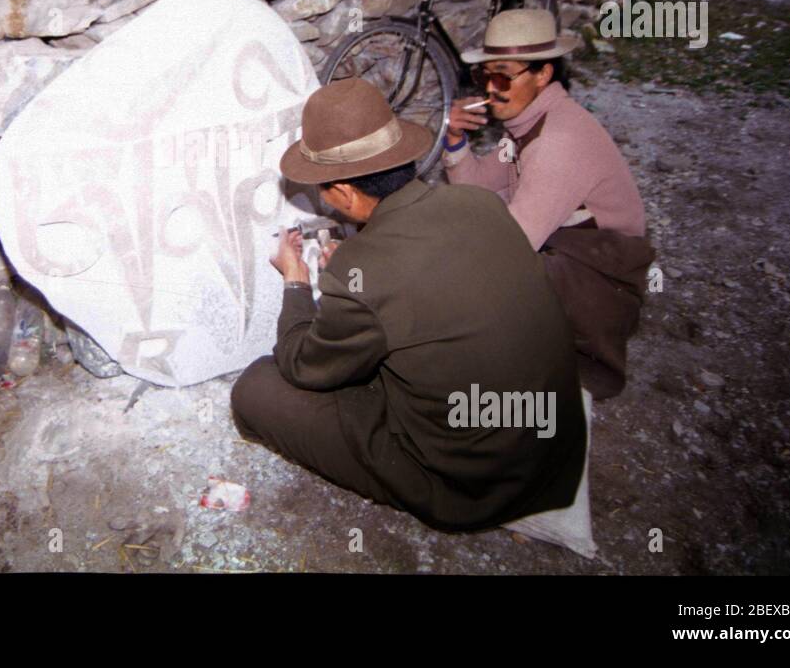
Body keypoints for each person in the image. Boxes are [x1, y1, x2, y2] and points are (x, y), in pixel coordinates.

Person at [230, 78, 586, 531]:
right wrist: (362, 275)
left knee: (256, 387)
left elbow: (303, 367)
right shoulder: (480, 203)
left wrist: (297, 281)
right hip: (552, 446)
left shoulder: (365, 271)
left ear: (343, 191)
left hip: (476, 481)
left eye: (322, 189)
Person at [444, 8, 655, 398]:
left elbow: (512, 248)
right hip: (570, 250)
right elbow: (473, 186)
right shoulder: (526, 124)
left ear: (543, 75)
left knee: (474, 284)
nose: (490, 89)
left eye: (503, 75)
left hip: (601, 278)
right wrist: (454, 138)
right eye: (483, 75)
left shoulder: (556, 141)